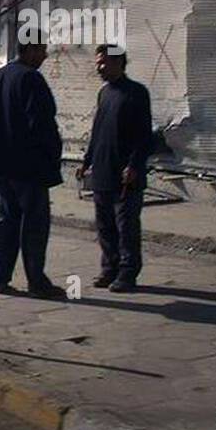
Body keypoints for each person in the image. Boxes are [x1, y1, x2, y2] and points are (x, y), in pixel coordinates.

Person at [0, 38, 66, 299]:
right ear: (31, 50)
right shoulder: (31, 79)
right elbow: (42, 124)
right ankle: (36, 281)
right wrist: (51, 156)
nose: (45, 56)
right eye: (42, 51)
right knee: (34, 225)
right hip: (28, 168)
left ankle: (0, 278)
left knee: (5, 222)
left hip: (0, 167)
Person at [76, 44, 153, 293]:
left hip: (125, 174)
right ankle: (109, 268)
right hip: (102, 170)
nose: (99, 67)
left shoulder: (136, 93)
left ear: (120, 63)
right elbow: (97, 131)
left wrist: (134, 165)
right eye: (98, 63)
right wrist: (86, 161)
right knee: (105, 225)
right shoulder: (104, 93)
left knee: (126, 226)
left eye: (104, 63)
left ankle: (128, 273)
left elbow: (144, 136)